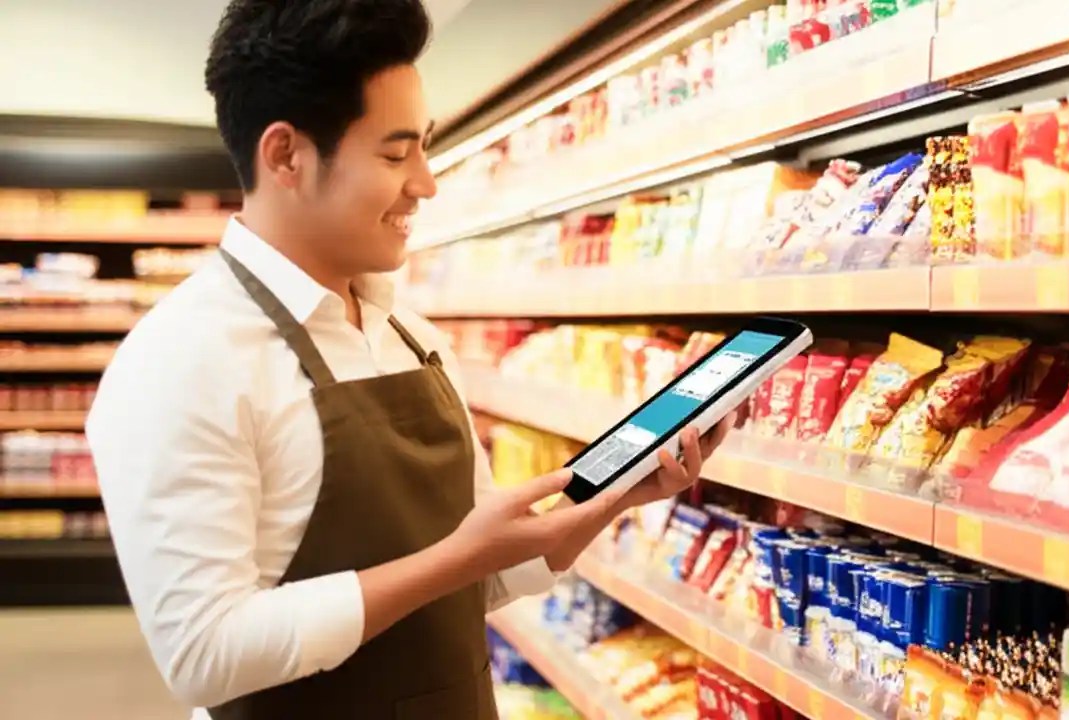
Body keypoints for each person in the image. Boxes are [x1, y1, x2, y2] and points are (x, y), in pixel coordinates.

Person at [86, 1, 735, 718]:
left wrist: (610, 500)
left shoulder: (411, 335)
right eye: (396, 154)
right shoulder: (182, 359)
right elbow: (203, 655)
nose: (426, 183)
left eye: (423, 149)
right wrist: (456, 558)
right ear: (286, 155)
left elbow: (482, 576)